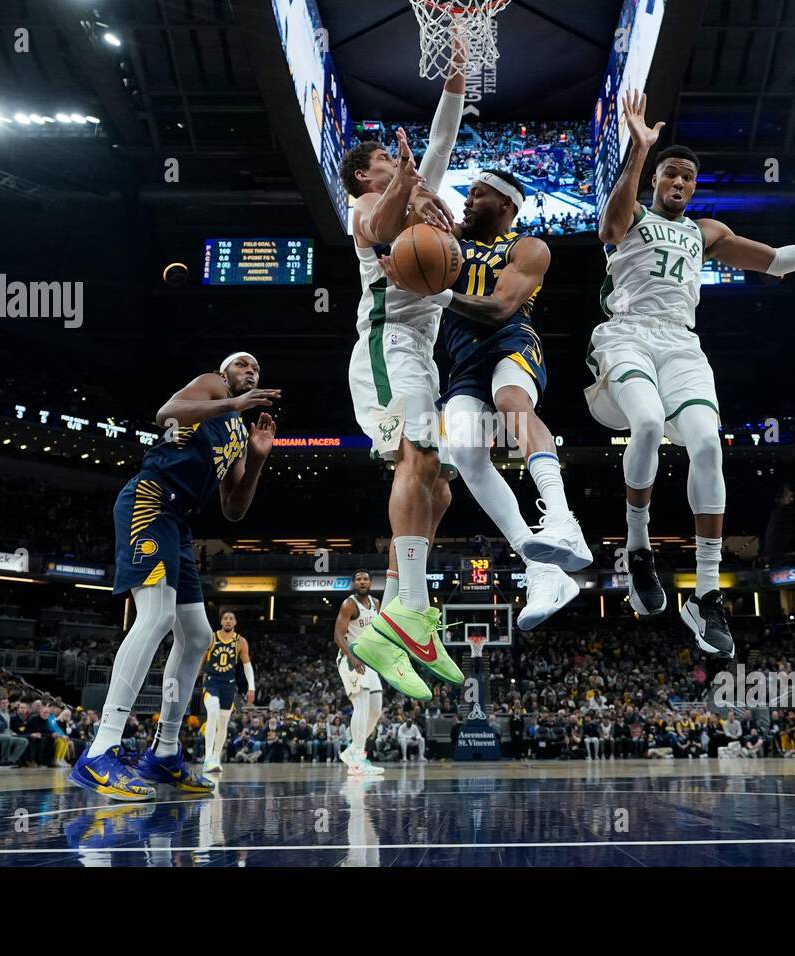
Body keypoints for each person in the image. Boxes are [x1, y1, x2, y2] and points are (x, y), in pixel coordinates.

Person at [589, 89, 795, 658]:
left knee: (707, 446)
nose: (678, 184)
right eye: (670, 175)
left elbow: (779, 261)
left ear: (694, 189)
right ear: (656, 180)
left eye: (687, 179)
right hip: (626, 335)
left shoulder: (708, 232)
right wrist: (638, 149)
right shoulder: (633, 211)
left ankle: (705, 596)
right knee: (647, 425)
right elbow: (608, 228)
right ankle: (637, 550)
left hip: (681, 346)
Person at [380, 169, 593, 633]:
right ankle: (543, 571)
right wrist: (410, 189)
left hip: (510, 341)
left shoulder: (528, 248)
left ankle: (560, 517)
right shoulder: (448, 241)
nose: (468, 201)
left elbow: (499, 308)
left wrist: (434, 293)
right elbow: (410, 212)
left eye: (478, 194)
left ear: (506, 205)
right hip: (463, 362)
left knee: (512, 400)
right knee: (466, 455)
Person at [69, 352, 278, 801]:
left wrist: (257, 458)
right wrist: (231, 405)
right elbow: (167, 413)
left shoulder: (239, 431)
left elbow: (233, 509)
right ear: (226, 373)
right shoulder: (211, 386)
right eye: (243, 365)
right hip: (150, 498)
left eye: (256, 369)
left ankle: (163, 753)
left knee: (199, 636)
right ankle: (101, 749)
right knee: (157, 616)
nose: (251, 371)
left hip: (179, 522)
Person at [337, 36, 468, 702]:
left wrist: (457, 72)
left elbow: (442, 139)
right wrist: (407, 185)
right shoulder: (365, 208)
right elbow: (380, 232)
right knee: (416, 459)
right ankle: (408, 612)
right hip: (388, 350)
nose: (398, 162)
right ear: (364, 175)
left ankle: (392, 620)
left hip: (422, 354)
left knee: (439, 486)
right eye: (385, 158)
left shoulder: (416, 194)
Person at [333, 569, 386, 775]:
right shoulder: (349, 604)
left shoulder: (376, 603)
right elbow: (338, 635)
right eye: (358, 579)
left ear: (371, 582)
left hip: (369, 660)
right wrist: (352, 658)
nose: (362, 582)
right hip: (350, 658)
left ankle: (352, 751)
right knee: (361, 706)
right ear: (354, 583)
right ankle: (357, 758)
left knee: (375, 710)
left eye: (365, 579)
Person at [199, 609, 255, 775]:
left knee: (223, 723)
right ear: (221, 622)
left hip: (229, 685)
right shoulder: (211, 638)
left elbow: (247, 666)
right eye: (225, 618)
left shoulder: (240, 642)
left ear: (235, 622)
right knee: (213, 711)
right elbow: (201, 660)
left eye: (231, 618)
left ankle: (216, 758)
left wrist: (251, 687)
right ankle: (207, 756)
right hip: (211, 681)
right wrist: (193, 678)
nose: (228, 621)